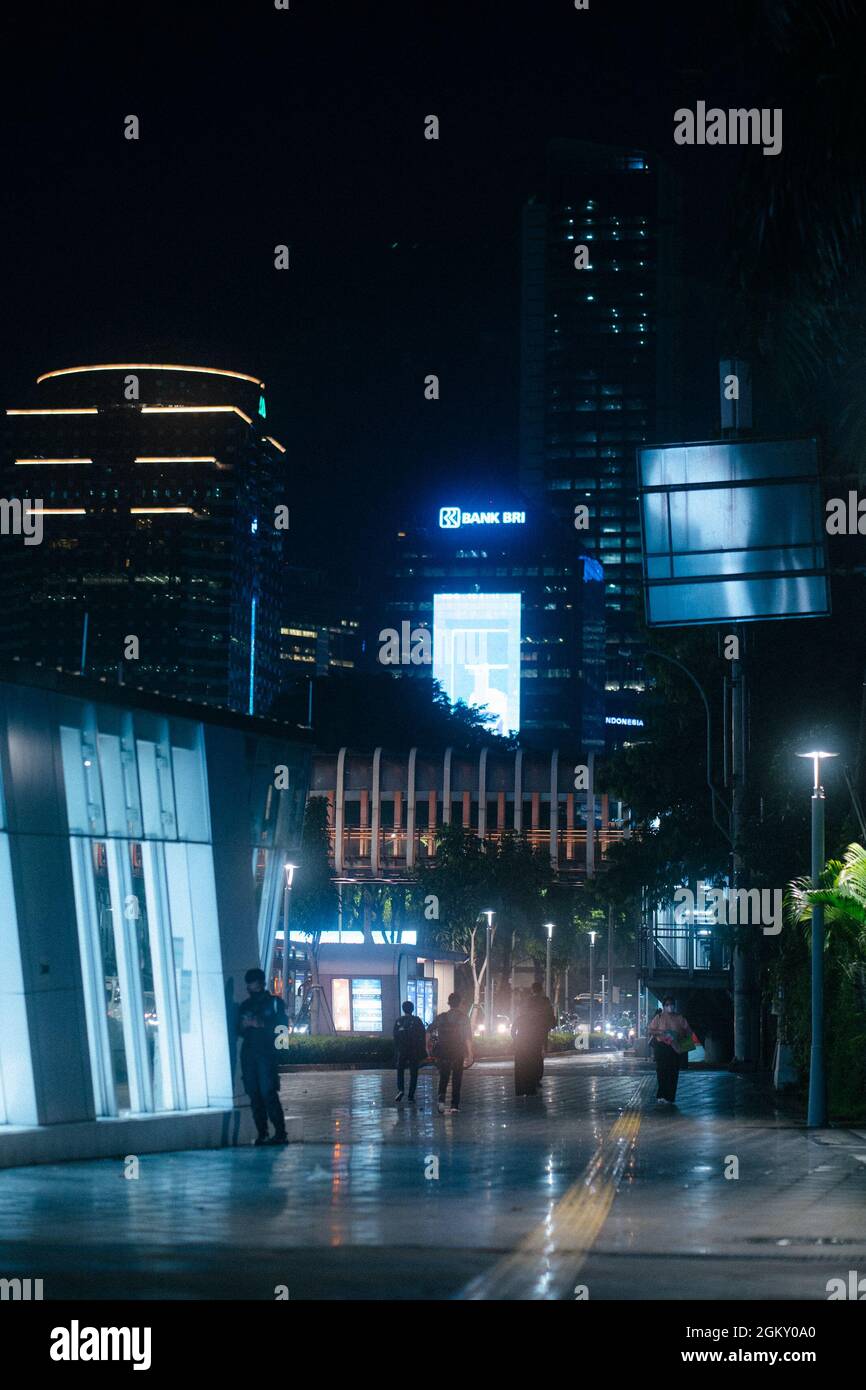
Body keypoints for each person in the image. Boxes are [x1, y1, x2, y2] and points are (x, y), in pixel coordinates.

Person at [237, 967, 289, 1144]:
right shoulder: (245, 1005)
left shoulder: (274, 1003)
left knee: (268, 1092)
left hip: (267, 1054)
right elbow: (238, 1031)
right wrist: (244, 1025)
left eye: (256, 981)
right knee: (254, 1094)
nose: (254, 985)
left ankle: (280, 1133)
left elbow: (283, 1028)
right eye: (251, 982)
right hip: (249, 1054)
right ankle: (262, 1133)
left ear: (262, 983)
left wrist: (262, 1024)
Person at [427, 992, 474, 1114]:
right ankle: (454, 1105)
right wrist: (470, 1053)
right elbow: (467, 1037)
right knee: (457, 1077)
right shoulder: (464, 1018)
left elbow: (428, 1030)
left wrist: (427, 1047)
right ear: (460, 1003)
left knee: (444, 1075)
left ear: (449, 1003)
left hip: (443, 1050)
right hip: (458, 1050)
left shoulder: (441, 1017)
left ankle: (441, 1100)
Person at [512, 981, 556, 1096]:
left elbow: (517, 1019)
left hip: (524, 1034)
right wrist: (550, 1026)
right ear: (541, 990)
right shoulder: (544, 1001)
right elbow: (550, 1016)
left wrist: (515, 1036)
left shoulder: (526, 1002)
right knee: (538, 1056)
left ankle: (526, 1083)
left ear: (532, 990)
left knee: (527, 1059)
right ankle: (535, 1079)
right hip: (539, 1033)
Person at [647, 996, 693, 1105]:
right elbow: (650, 1030)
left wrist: (680, 1037)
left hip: (675, 1048)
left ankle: (670, 1096)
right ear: (664, 1006)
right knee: (662, 1071)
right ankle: (661, 1095)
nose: (670, 1006)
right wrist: (660, 1033)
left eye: (671, 1004)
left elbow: (688, 1032)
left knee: (673, 1072)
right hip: (661, 1047)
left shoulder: (680, 1018)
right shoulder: (658, 1017)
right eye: (667, 1004)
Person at [393, 1000, 427, 1103]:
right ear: (413, 1009)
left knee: (400, 1070)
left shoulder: (399, 1021)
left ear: (403, 1009)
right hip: (414, 1050)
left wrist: (397, 1049)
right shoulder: (417, 1020)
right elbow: (422, 1035)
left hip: (402, 1050)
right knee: (414, 1073)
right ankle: (411, 1096)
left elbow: (395, 1036)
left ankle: (401, 1089)